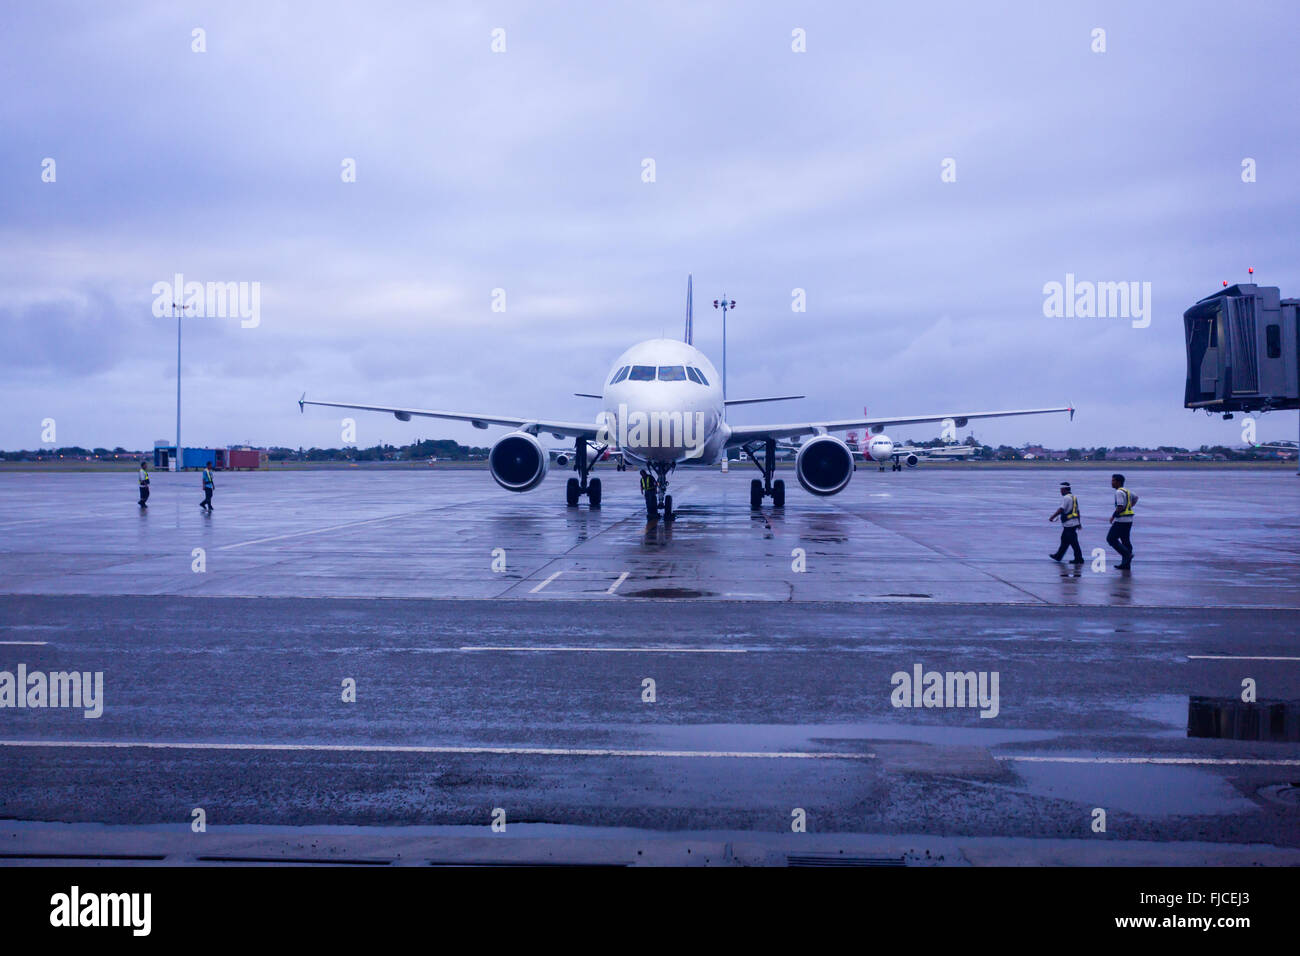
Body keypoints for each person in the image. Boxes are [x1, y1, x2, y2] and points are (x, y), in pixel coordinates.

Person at [1106, 473, 1137, 569]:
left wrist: (1113, 516)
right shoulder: (1127, 491)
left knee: (1111, 538)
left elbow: (1120, 506)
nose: (1111, 482)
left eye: (1113, 480)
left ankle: (1127, 555)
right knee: (1125, 541)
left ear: (1118, 482)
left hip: (1121, 520)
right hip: (1129, 520)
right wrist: (1130, 506)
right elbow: (1136, 497)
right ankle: (1126, 564)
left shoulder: (1119, 492)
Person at [1048, 480, 1083, 563]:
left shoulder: (1066, 498)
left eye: (1061, 490)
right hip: (1073, 523)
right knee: (1064, 540)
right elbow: (1077, 511)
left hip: (1069, 524)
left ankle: (1079, 559)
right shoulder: (1074, 497)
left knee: (1073, 542)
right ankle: (1058, 556)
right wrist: (1079, 522)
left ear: (1064, 489)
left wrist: (1052, 516)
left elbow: (1061, 509)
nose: (1060, 491)